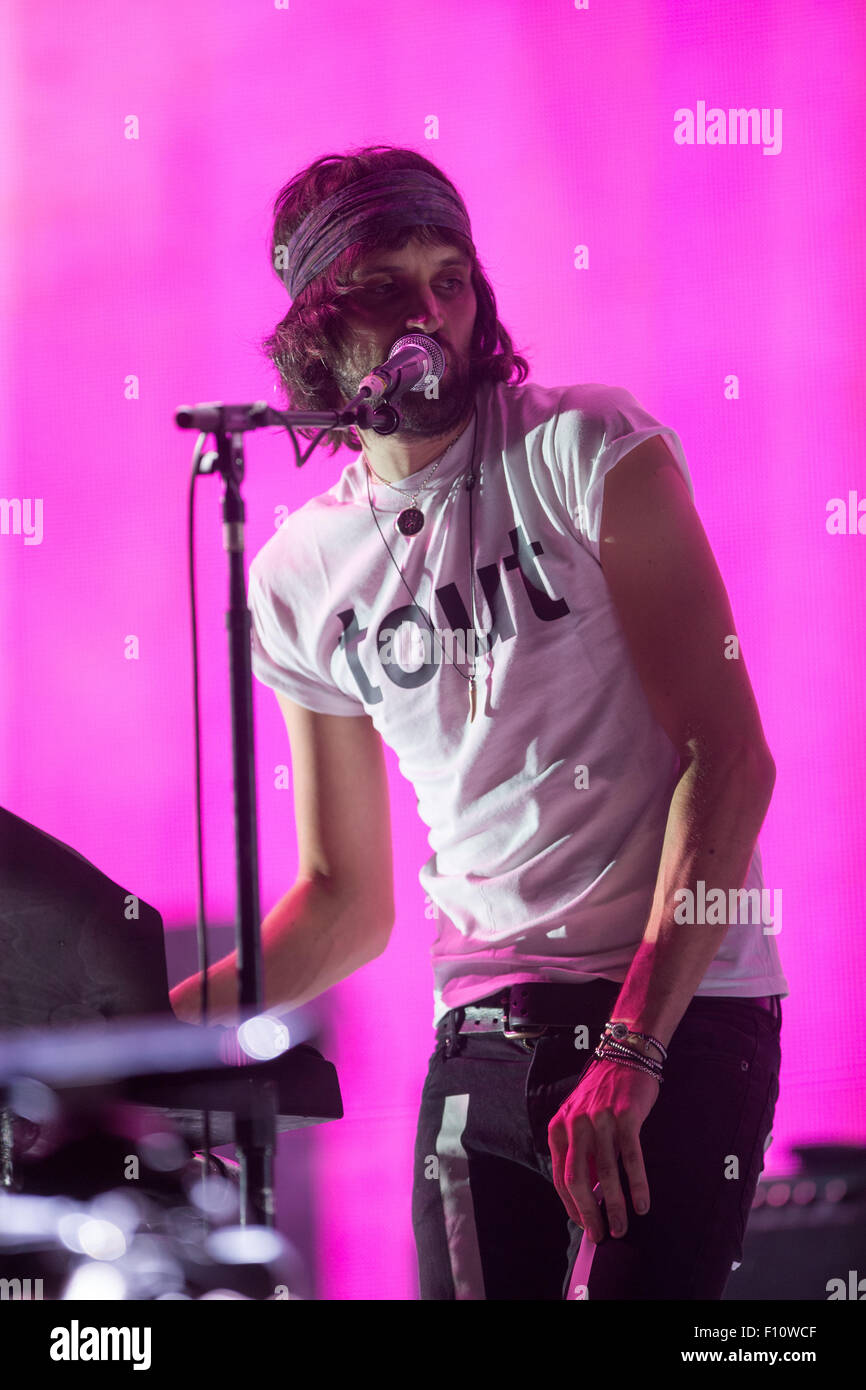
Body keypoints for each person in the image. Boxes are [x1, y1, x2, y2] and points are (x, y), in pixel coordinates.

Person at [169, 144, 787, 1300]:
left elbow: (730, 755)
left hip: (676, 1011)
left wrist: (632, 1045)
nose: (429, 313)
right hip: (482, 1036)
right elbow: (346, 902)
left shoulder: (583, 446)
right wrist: (145, 1045)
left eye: (449, 277)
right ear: (315, 319)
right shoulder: (301, 574)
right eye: (386, 285)